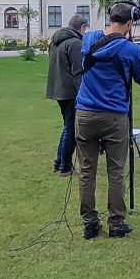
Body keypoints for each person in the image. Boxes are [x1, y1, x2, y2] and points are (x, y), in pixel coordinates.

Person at [74, 2, 140, 239]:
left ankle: (90, 224)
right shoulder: (130, 50)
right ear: (130, 23)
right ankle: (116, 223)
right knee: (116, 171)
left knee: (86, 171)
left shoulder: (89, 38)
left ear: (110, 18)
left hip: (85, 113)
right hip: (114, 116)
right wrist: (132, 48)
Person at [46, 14, 88, 176]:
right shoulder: (75, 43)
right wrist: (83, 94)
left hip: (57, 89)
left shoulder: (56, 41)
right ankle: (65, 166)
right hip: (70, 92)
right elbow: (78, 72)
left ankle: (59, 162)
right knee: (71, 129)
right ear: (81, 27)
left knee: (68, 127)